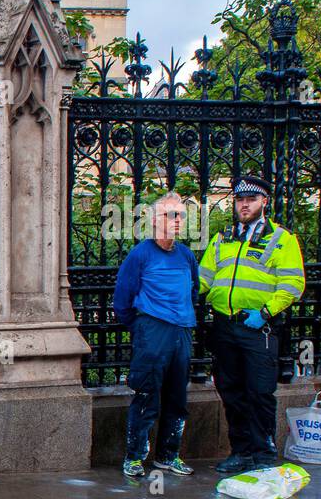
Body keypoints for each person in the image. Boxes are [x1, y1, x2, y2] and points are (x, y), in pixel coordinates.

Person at [198, 174, 306, 472]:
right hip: (224, 326)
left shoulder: (281, 239)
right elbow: (204, 278)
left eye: (251, 200)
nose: (244, 205)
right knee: (231, 391)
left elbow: (293, 283)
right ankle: (241, 452)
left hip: (258, 327)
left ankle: (263, 455)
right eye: (240, 200)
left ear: (264, 202)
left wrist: (266, 312)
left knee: (259, 392)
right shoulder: (224, 237)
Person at [112, 193, 199, 478]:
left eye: (180, 216)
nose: (176, 221)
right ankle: (135, 456)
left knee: (177, 398)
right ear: (152, 220)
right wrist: (141, 329)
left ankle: (168, 455)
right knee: (147, 395)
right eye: (169, 215)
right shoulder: (141, 254)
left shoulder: (186, 255)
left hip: (181, 332)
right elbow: (122, 299)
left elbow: (193, 290)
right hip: (152, 331)